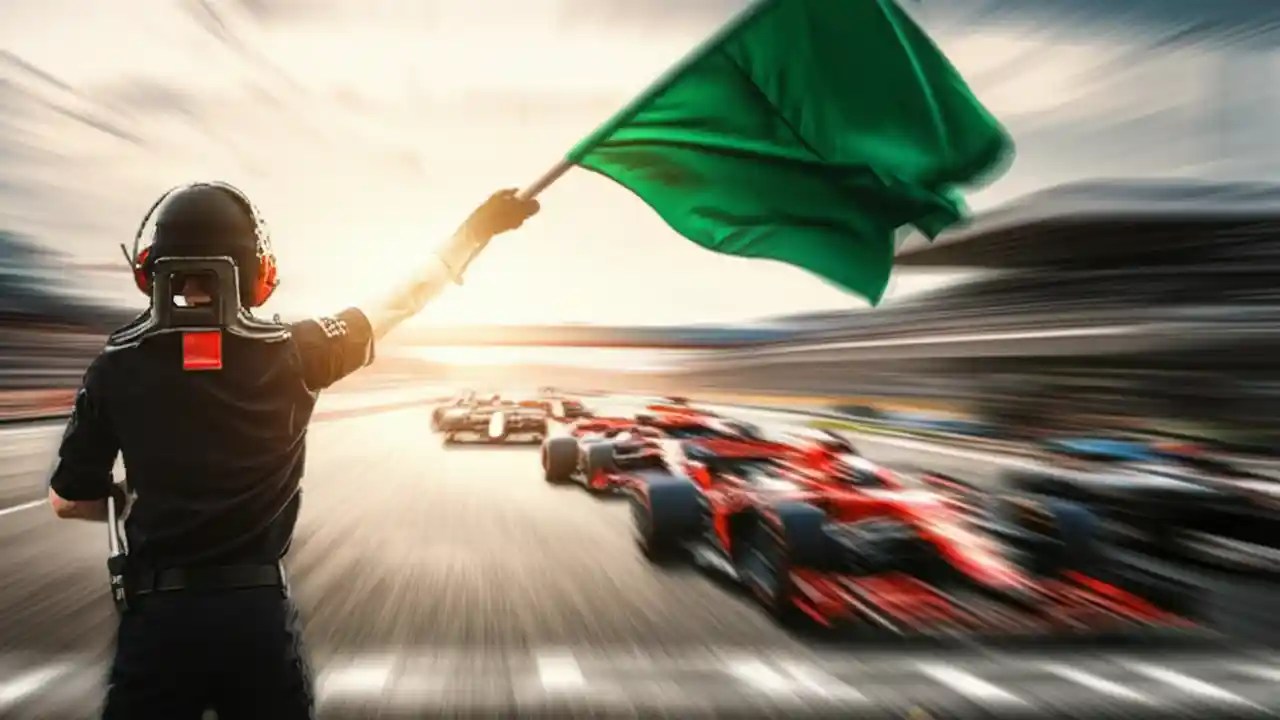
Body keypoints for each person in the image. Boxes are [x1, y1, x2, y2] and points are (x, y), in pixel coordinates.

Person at [46, 181, 539, 718]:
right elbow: (404, 297)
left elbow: (68, 500)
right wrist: (478, 229)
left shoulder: (116, 365)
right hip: (256, 621)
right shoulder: (298, 351)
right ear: (257, 271)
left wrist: (141, 498)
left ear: (152, 268)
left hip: (157, 624)